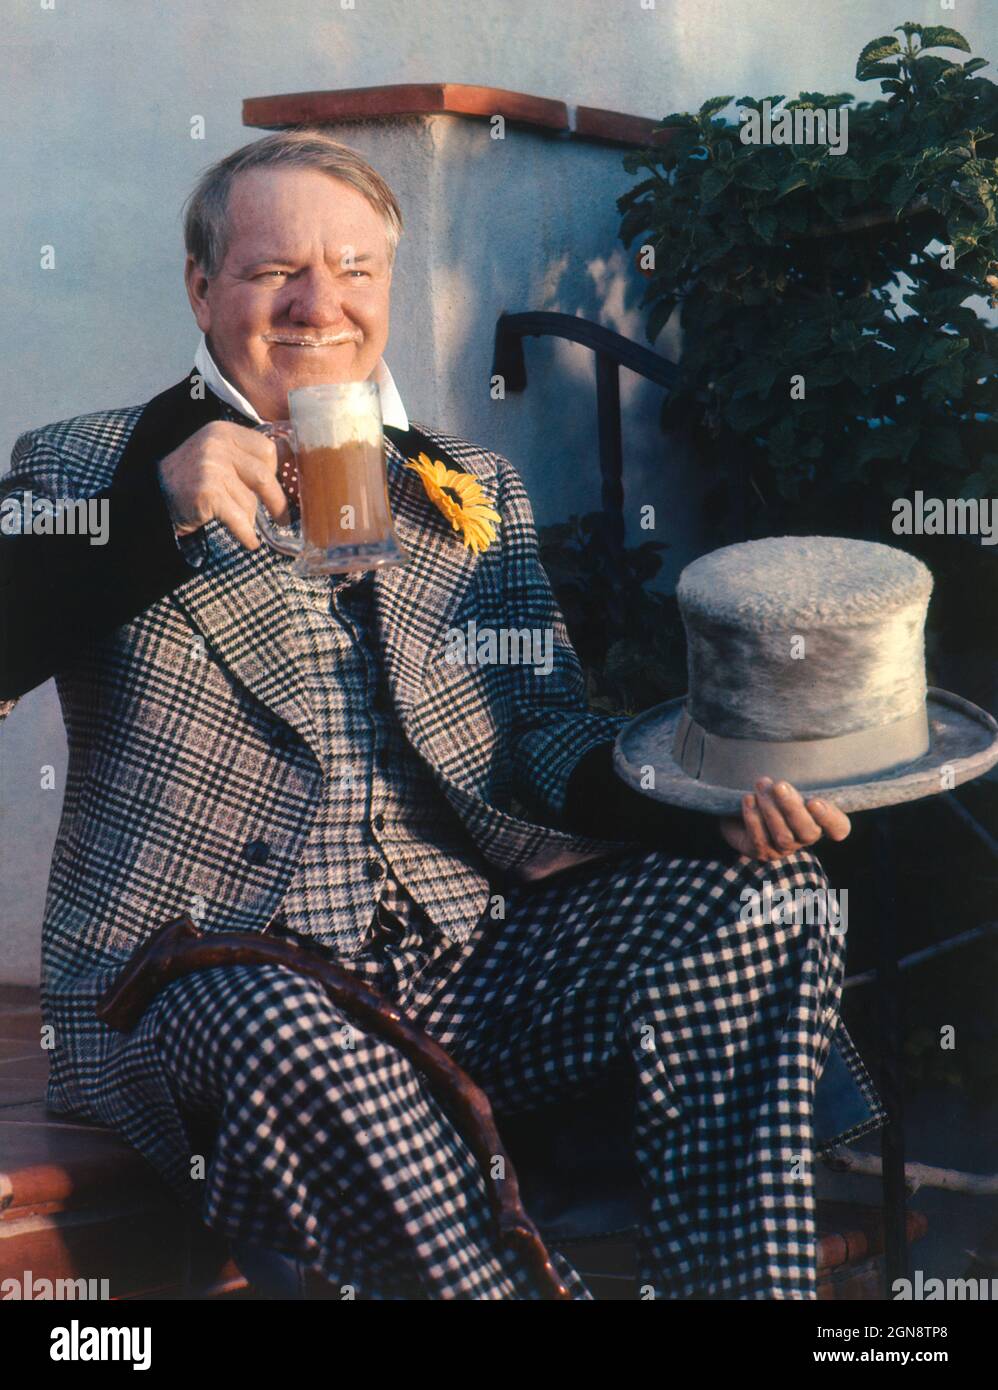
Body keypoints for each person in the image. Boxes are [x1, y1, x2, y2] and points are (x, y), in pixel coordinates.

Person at [0, 128, 884, 1300]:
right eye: (274, 272)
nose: (321, 303)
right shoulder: (87, 466)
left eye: (354, 268)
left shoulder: (464, 487)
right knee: (287, 1028)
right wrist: (147, 520)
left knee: (766, 898)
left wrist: (706, 811)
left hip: (460, 966)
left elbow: (545, 735)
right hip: (197, 974)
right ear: (203, 289)